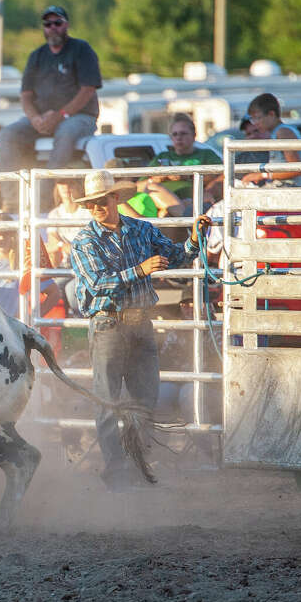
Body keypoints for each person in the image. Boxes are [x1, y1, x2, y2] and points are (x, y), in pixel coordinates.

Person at [68, 170, 204, 491]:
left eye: (102, 201)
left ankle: (134, 463)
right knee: (107, 400)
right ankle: (117, 468)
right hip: (108, 322)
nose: (98, 208)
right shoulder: (84, 241)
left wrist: (196, 239)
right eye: (92, 204)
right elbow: (97, 283)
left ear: (116, 198)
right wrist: (139, 270)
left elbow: (179, 254)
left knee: (145, 398)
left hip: (140, 322)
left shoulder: (141, 230)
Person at [0, 6, 102, 212]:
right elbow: (26, 95)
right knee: (8, 133)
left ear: (66, 25)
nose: (52, 27)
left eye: (57, 23)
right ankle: (12, 201)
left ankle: (42, 200)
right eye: (48, 24)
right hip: (43, 117)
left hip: (78, 117)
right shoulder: (37, 56)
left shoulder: (81, 50)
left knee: (65, 134)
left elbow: (87, 89)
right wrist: (35, 118)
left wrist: (61, 115)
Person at [138, 114, 223, 215]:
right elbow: (138, 186)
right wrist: (155, 178)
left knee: (165, 213)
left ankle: (184, 218)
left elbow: (222, 177)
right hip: (165, 203)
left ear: (194, 135)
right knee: (152, 188)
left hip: (194, 201)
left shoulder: (206, 154)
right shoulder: (162, 157)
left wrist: (187, 176)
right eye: (175, 134)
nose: (179, 137)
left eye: (183, 133)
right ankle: (186, 219)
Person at [240, 93, 301, 187]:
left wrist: (262, 175)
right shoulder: (278, 132)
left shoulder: (283, 132)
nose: (256, 123)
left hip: (286, 189)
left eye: (258, 118)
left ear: (271, 114)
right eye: (253, 119)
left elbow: (297, 169)